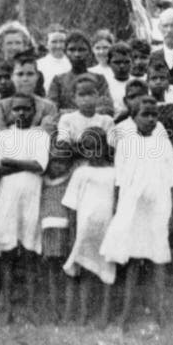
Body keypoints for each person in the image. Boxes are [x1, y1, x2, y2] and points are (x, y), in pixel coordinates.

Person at [100, 96, 173, 330]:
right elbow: (120, 178)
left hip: (158, 205)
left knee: (158, 258)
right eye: (145, 114)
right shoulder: (126, 143)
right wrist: (118, 207)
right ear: (133, 118)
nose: (151, 119)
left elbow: (172, 176)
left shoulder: (163, 143)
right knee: (133, 258)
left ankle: (160, 310)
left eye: (155, 114)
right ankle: (125, 312)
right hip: (133, 206)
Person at [0, 92, 51, 324]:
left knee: (30, 249)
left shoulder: (39, 136)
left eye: (26, 109)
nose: (21, 113)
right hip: (7, 197)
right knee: (7, 249)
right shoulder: (2, 137)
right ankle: (6, 299)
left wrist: (11, 162)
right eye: (17, 109)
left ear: (34, 112)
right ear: (10, 113)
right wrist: (24, 165)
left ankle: (32, 302)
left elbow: (40, 165)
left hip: (32, 196)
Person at [62, 127, 117, 327]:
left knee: (107, 270)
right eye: (88, 148)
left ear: (105, 147)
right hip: (85, 230)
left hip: (108, 229)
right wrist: (72, 231)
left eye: (97, 146)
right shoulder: (80, 172)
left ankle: (104, 314)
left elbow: (117, 202)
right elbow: (71, 204)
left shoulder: (114, 172)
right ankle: (84, 312)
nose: (93, 151)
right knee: (84, 269)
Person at [39, 140, 75, 323]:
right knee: (52, 270)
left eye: (63, 162)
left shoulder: (71, 179)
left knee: (68, 270)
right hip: (47, 230)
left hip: (65, 229)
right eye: (55, 161)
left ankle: (68, 310)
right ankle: (54, 308)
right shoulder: (42, 180)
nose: (59, 165)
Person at [0, 53, 59, 136]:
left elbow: (49, 133)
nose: (25, 79)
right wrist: (39, 129)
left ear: (37, 76)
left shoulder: (49, 107)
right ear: (12, 77)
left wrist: (12, 130)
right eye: (20, 74)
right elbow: (0, 136)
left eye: (30, 74)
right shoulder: (2, 106)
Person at [48, 30, 113, 114]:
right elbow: (51, 110)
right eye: (72, 50)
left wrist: (68, 112)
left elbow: (107, 109)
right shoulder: (58, 80)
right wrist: (89, 112)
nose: (77, 54)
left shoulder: (99, 79)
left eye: (81, 50)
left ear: (89, 52)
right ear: (65, 52)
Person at [56, 75, 115, 145]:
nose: (87, 98)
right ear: (73, 98)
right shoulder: (67, 119)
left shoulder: (107, 121)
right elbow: (63, 143)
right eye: (82, 95)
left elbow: (111, 146)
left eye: (91, 94)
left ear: (97, 95)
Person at [37, 24, 71, 90]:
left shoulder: (72, 63)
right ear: (46, 44)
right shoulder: (38, 65)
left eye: (62, 41)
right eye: (54, 42)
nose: (58, 46)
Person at [107, 42, 133, 116]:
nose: (122, 66)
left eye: (126, 62)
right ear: (109, 63)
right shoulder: (105, 86)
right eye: (117, 62)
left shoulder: (139, 83)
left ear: (132, 62)